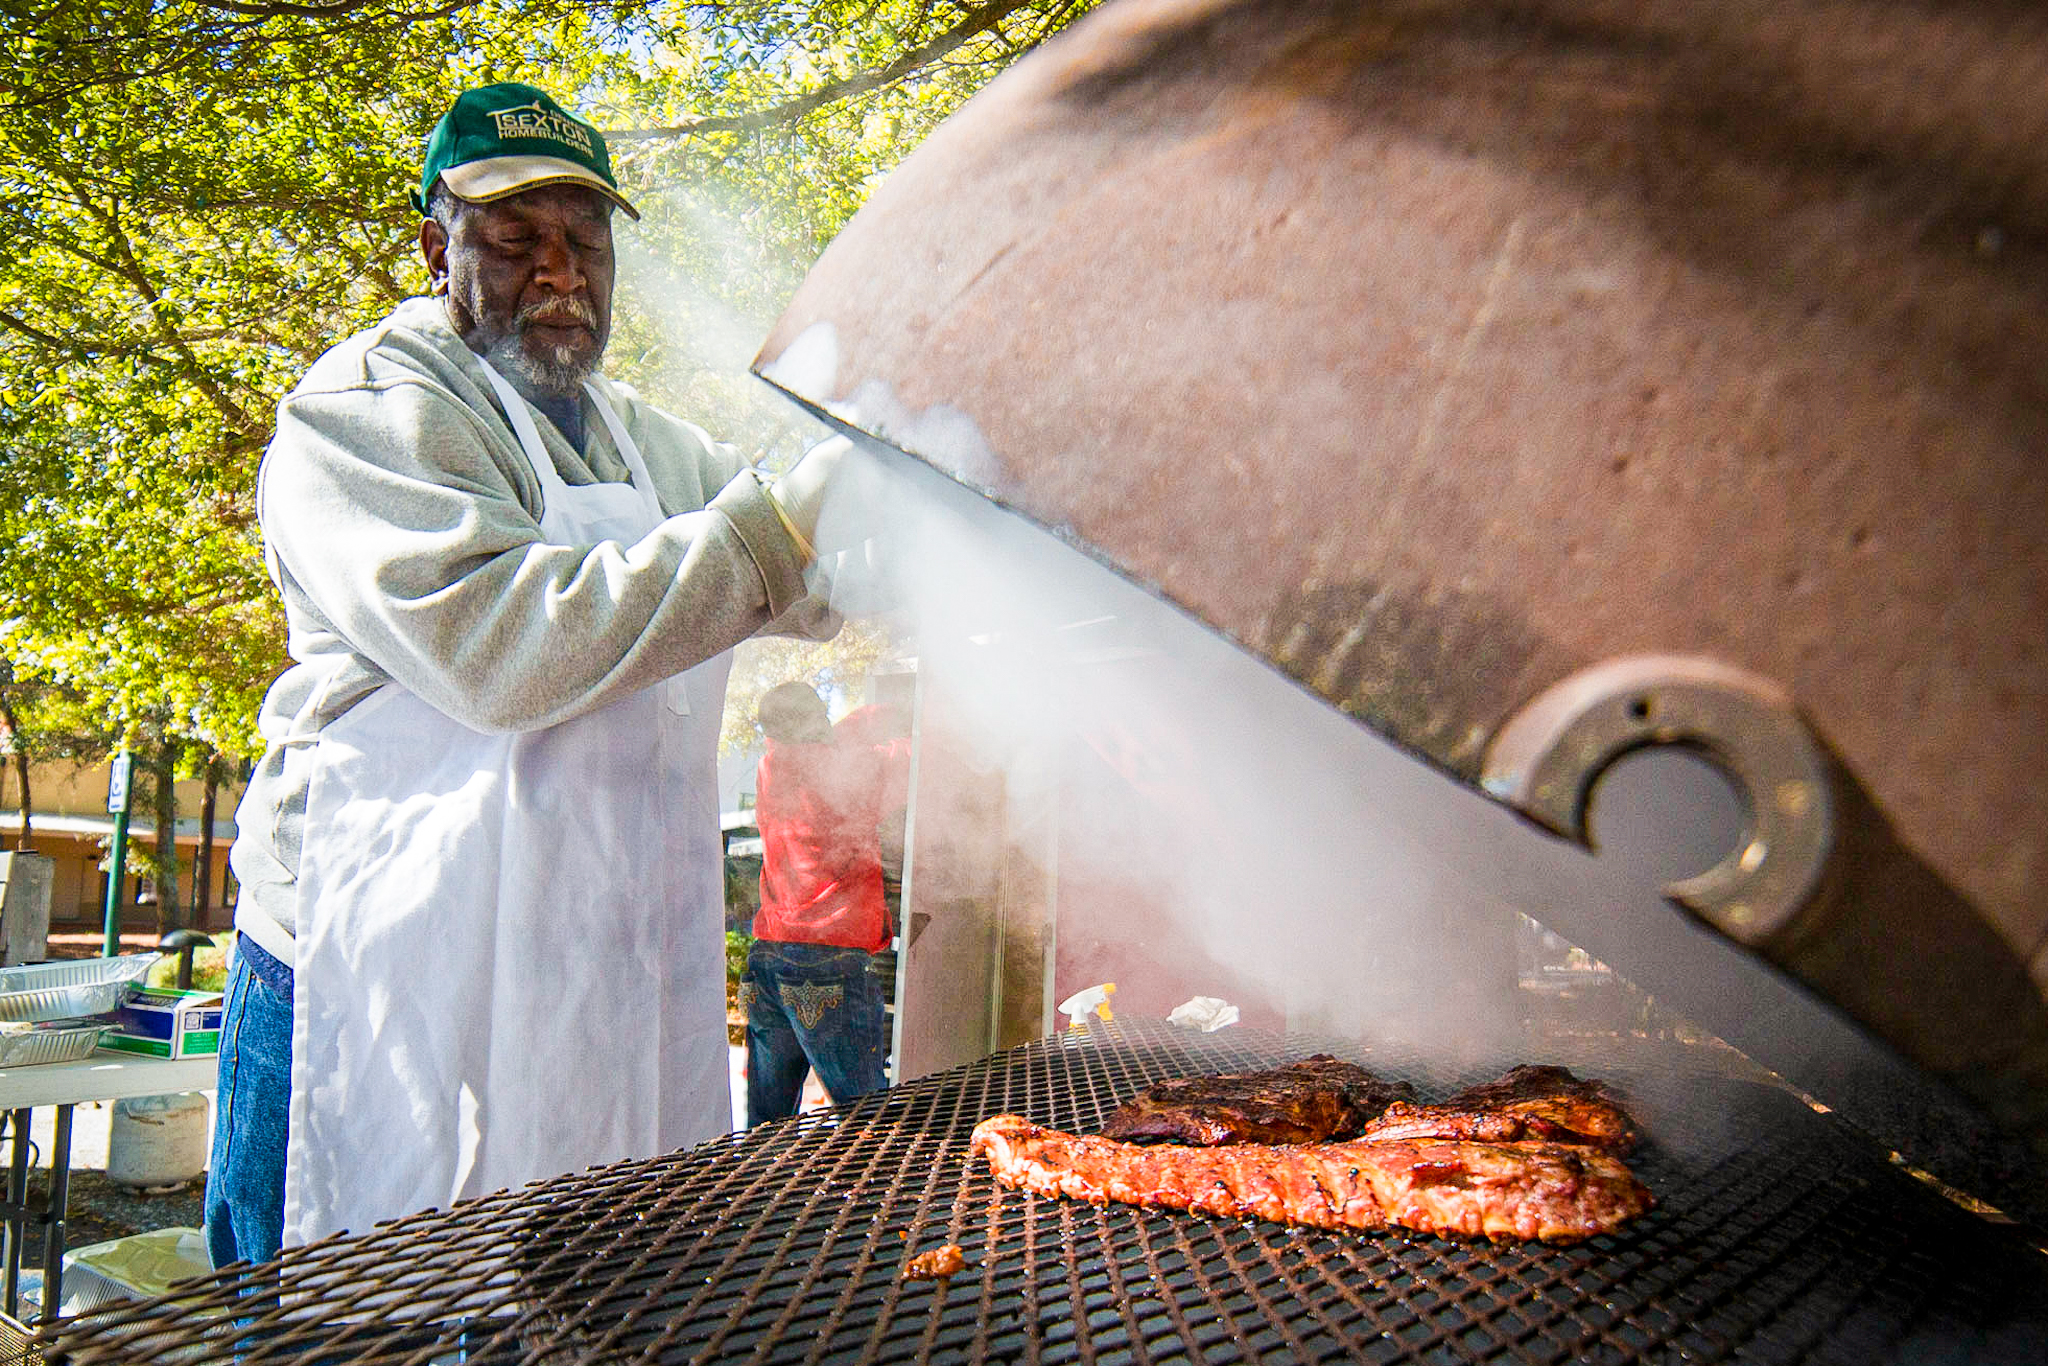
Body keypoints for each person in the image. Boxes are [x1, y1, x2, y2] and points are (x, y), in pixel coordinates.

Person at [207, 82, 851, 1265]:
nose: (560, 271)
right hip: (376, 968)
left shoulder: (629, 432)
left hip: (575, 962)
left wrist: (909, 516)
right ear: (433, 248)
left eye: (586, 237)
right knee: (349, 1314)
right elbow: (501, 650)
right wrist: (779, 530)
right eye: (514, 237)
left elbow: (799, 570)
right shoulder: (365, 413)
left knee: (561, 1310)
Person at [742, 682, 911, 1124]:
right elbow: (913, 763)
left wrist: (875, 712)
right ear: (815, 721)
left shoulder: (771, 765)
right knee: (868, 1122)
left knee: (768, 1128)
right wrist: (931, 712)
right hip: (826, 964)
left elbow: (838, 739)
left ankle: (762, 1190)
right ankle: (879, 1193)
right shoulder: (842, 772)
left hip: (768, 960)